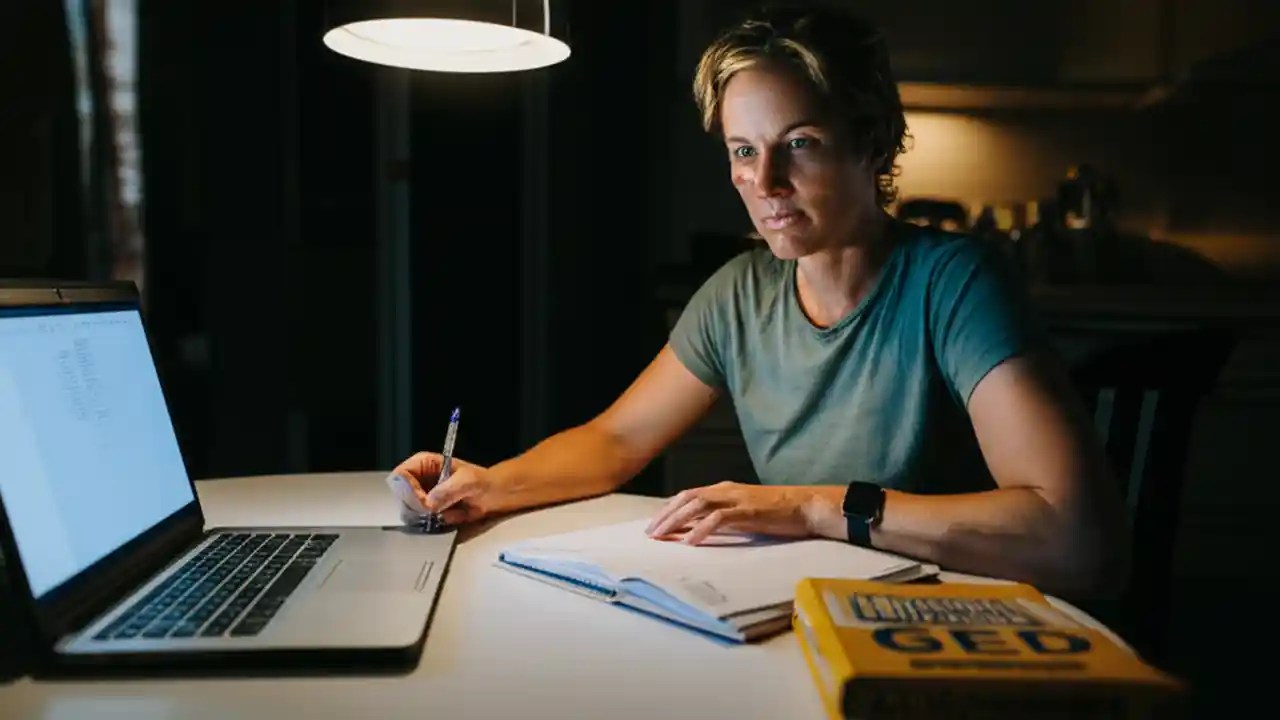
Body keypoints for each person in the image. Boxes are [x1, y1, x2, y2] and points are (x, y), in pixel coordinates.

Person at [393, 1, 1129, 599]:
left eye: (799, 143)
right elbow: (615, 442)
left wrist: (811, 505)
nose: (764, 181)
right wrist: (489, 485)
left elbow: (1072, 538)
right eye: (744, 150)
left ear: (872, 143)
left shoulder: (955, 282)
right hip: (820, 604)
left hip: (956, 621)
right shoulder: (741, 294)